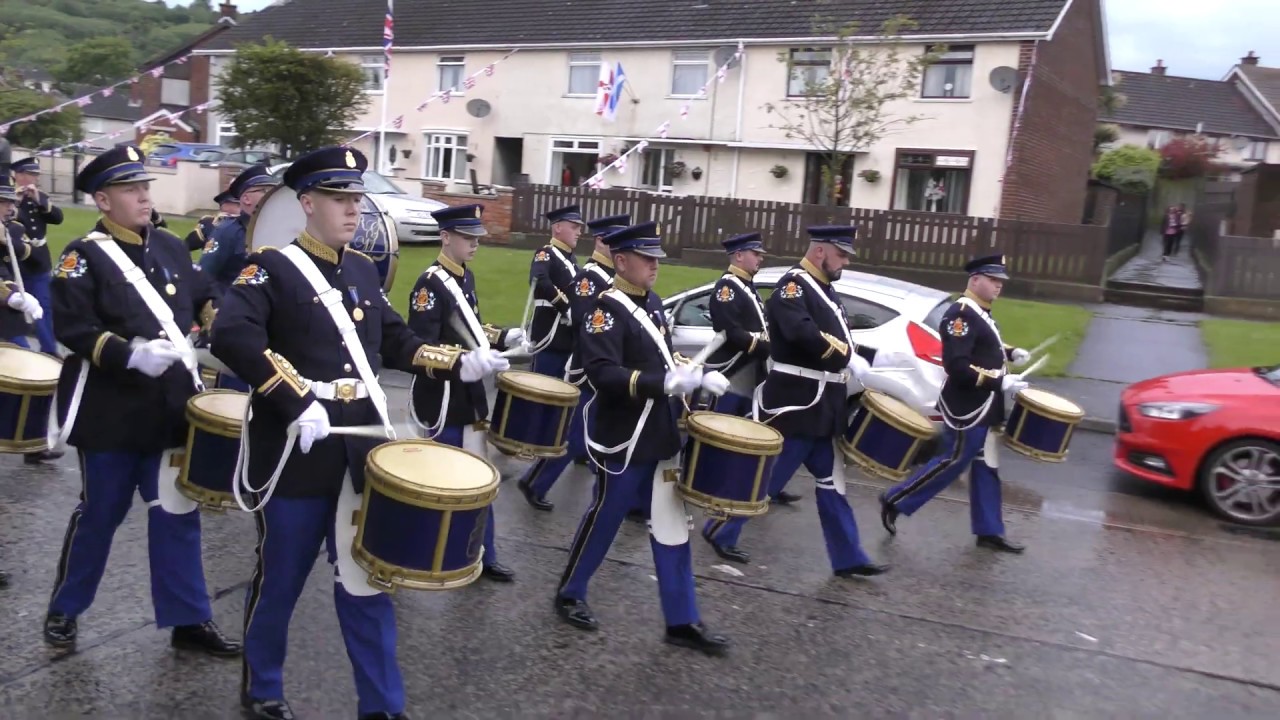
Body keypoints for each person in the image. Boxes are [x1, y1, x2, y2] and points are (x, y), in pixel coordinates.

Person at [211, 146, 503, 720]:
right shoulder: (269, 269)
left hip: (360, 450)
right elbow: (232, 337)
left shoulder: (362, 268)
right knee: (281, 580)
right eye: (340, 199)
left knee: (367, 582)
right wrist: (293, 401)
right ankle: (263, 688)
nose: (353, 210)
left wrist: (451, 362)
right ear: (307, 203)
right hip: (299, 451)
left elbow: (393, 338)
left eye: (356, 199)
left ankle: (382, 705)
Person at [43, 144, 238, 658]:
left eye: (145, 187)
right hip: (112, 413)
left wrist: (215, 314)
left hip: (171, 409)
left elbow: (202, 290)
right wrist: (128, 354)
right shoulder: (81, 256)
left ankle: (188, 619)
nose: (144, 197)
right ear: (103, 200)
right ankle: (66, 608)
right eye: (132, 190)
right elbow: (73, 328)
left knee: (176, 513)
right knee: (100, 513)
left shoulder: (170, 246)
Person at [554, 221, 732, 656]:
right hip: (624, 434)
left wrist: (695, 374)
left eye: (657, 258)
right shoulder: (604, 309)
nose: (656, 265)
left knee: (673, 527)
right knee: (607, 516)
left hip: (659, 431)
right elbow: (602, 373)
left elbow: (661, 355)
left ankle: (682, 620)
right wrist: (661, 383)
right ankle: (570, 591)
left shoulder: (651, 302)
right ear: (621, 260)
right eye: (647, 258)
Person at [700, 227, 889, 576]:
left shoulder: (824, 289)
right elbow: (801, 332)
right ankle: (719, 527)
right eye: (841, 254)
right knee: (767, 477)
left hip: (824, 404)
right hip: (797, 402)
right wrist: (846, 356)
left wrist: (866, 358)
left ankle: (849, 557)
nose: (846, 261)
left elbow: (838, 335)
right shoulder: (794, 287)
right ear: (820, 252)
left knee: (832, 483)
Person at [879, 254, 1031, 553]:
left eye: (1001, 281)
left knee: (986, 466)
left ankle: (989, 530)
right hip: (967, 405)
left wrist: (1009, 353)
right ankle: (896, 499)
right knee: (952, 460)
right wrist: (998, 382)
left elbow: (984, 346)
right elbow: (957, 365)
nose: (998, 286)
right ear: (975, 279)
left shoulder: (980, 312)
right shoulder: (960, 315)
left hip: (985, 404)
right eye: (993, 279)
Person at [407, 202, 520, 582]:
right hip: (441, 396)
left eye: (476, 237)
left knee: (479, 476)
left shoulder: (463, 277)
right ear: (445, 237)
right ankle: (420, 552)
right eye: (467, 238)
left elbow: (470, 327)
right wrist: (465, 359)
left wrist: (502, 337)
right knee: (438, 481)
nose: (475, 244)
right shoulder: (428, 284)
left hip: (468, 394)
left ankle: (481, 553)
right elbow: (421, 343)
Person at [516, 212, 628, 512]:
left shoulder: (599, 273)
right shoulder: (589, 275)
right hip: (583, 363)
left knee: (585, 432)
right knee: (572, 431)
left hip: (601, 364)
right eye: (618, 242)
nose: (577, 232)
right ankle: (534, 480)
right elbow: (581, 317)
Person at [0, 174, 46, 588]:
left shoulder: (9, 230)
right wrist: (7, 293)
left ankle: (27, 437)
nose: (7, 208)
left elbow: (35, 259)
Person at [11, 156, 62, 359]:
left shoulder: (39, 197)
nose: (36, 179)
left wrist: (39, 200)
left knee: (44, 307)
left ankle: (49, 349)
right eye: (32, 174)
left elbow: (57, 218)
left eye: (37, 175)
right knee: (15, 307)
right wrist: (17, 202)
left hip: (39, 261)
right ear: (19, 175)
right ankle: (20, 350)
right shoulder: (8, 197)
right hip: (17, 262)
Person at [199, 164, 277, 294]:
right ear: (246, 198)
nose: (271, 195)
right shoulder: (227, 231)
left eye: (272, 190)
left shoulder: (278, 229)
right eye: (264, 190)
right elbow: (204, 276)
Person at [526, 204, 584, 379]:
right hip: (549, 338)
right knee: (542, 391)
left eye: (580, 228)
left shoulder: (572, 260)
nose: (579, 232)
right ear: (558, 227)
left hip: (567, 341)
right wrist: (565, 306)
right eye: (574, 227)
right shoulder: (546, 254)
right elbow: (539, 280)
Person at [185, 189, 240, 253]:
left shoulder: (250, 225)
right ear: (223, 205)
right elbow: (185, 247)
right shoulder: (208, 223)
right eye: (238, 204)